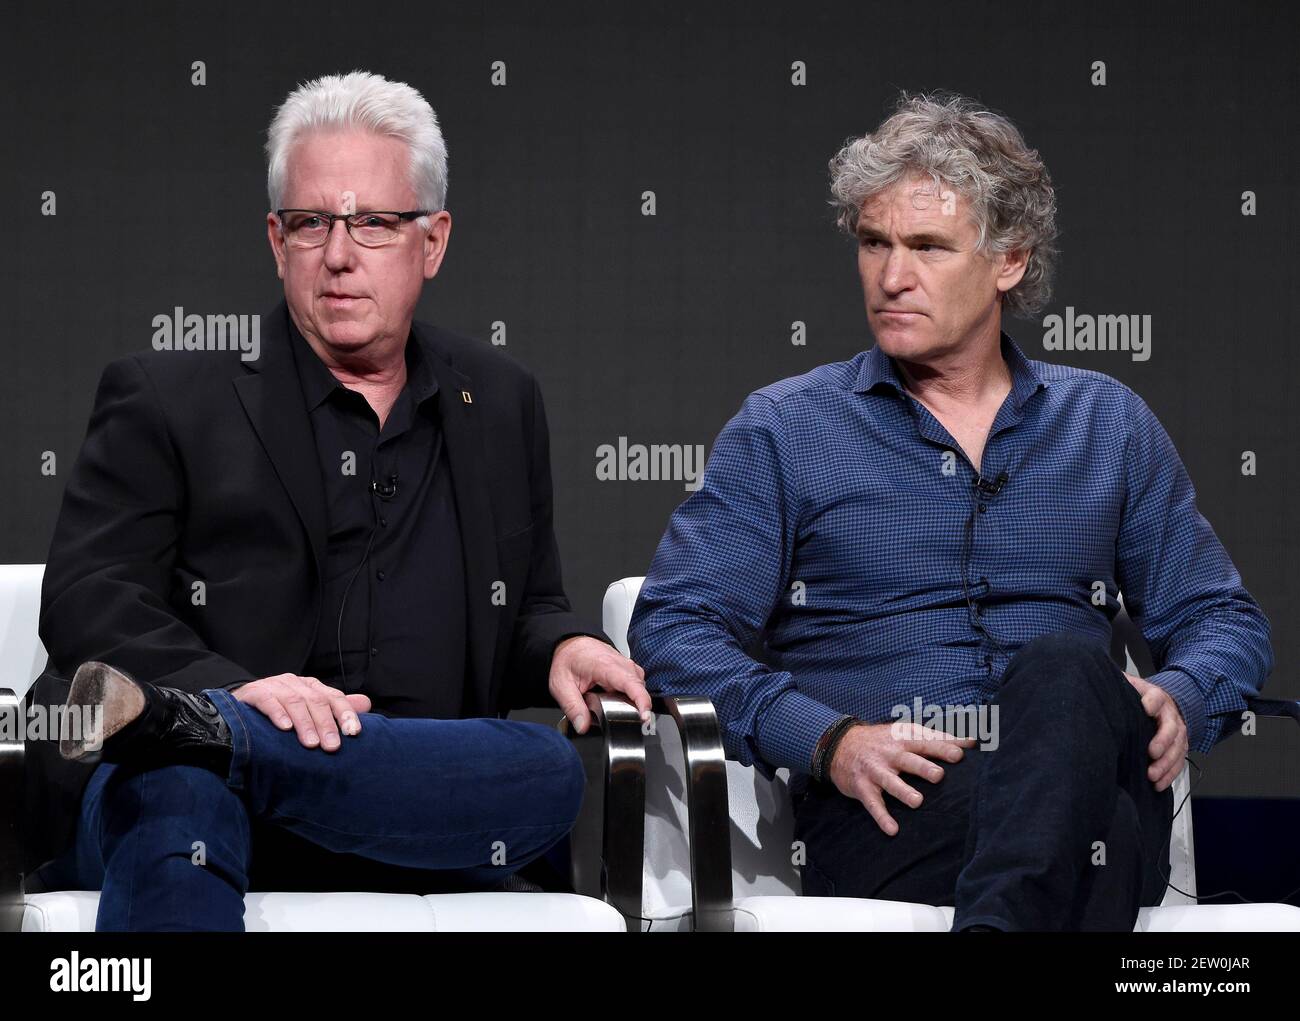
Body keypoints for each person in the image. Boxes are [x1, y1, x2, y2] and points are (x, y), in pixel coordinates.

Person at [627, 90, 1272, 931]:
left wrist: (1182, 695)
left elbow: (1225, 619)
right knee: (1095, 827)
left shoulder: (1105, 424)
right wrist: (830, 741)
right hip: (895, 814)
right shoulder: (787, 429)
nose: (891, 277)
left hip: (1086, 771)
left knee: (1066, 672)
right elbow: (675, 628)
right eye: (873, 243)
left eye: (927, 247)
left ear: (1009, 262)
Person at [23, 70, 650, 931]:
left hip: (408, 808)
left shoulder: (498, 400)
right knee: (175, 788)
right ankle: (212, 735)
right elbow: (89, 597)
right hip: (200, 806)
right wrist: (243, 690)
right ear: (277, 240)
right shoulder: (170, 394)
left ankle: (204, 729)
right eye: (312, 222)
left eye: (374, 224)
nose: (340, 253)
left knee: (546, 770)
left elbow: (527, 603)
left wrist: (562, 646)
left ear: (433, 240)